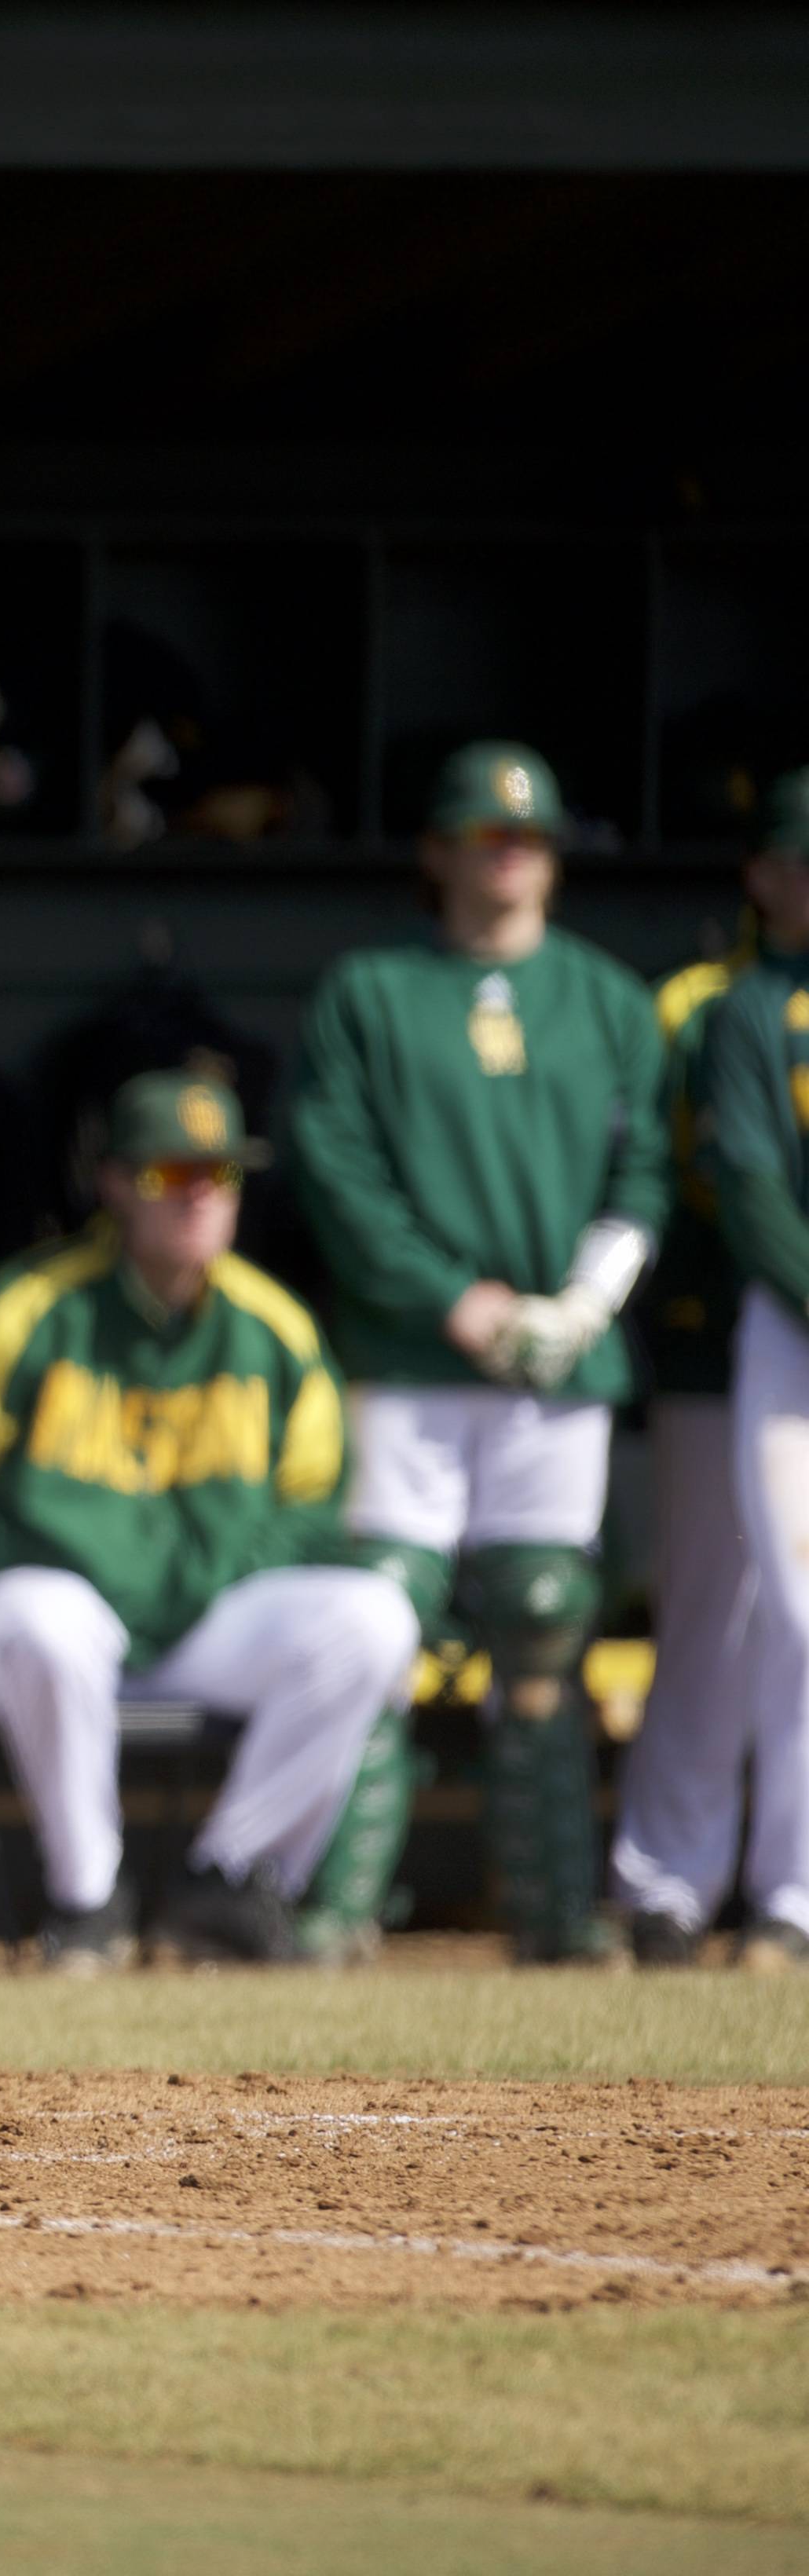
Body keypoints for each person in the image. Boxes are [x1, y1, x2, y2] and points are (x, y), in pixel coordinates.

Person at [289, 741, 663, 1967]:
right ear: (437, 852)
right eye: (484, 837)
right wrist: (456, 1301)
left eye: (528, 839)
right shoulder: (371, 991)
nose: (507, 858)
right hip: (413, 1359)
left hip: (558, 1370)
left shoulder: (607, 999)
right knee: (378, 1618)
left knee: (545, 1619)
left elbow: (645, 1170)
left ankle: (557, 1918)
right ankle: (340, 1911)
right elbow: (335, 1170)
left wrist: (584, 1302)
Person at [0, 1073, 420, 1966]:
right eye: (166, 1174)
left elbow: (310, 1514)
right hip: (28, 1631)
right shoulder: (29, 1311)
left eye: (217, 1174)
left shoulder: (271, 1329)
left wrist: (185, 1575)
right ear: (110, 1183)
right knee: (51, 1618)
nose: (196, 1196)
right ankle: (87, 1899)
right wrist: (71, 1547)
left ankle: (227, 1879)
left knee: (370, 1618)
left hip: (193, 1616)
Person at [617, 821, 776, 1968]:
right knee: (709, 1618)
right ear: (763, 872)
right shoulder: (697, 1003)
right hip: (716, 1336)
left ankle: (796, 1895)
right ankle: (669, 1883)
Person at [666, 776, 809, 1971]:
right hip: (791, 1322)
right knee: (793, 1606)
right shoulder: (750, 1011)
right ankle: (778, 1901)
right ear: (764, 876)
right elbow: (754, 1193)